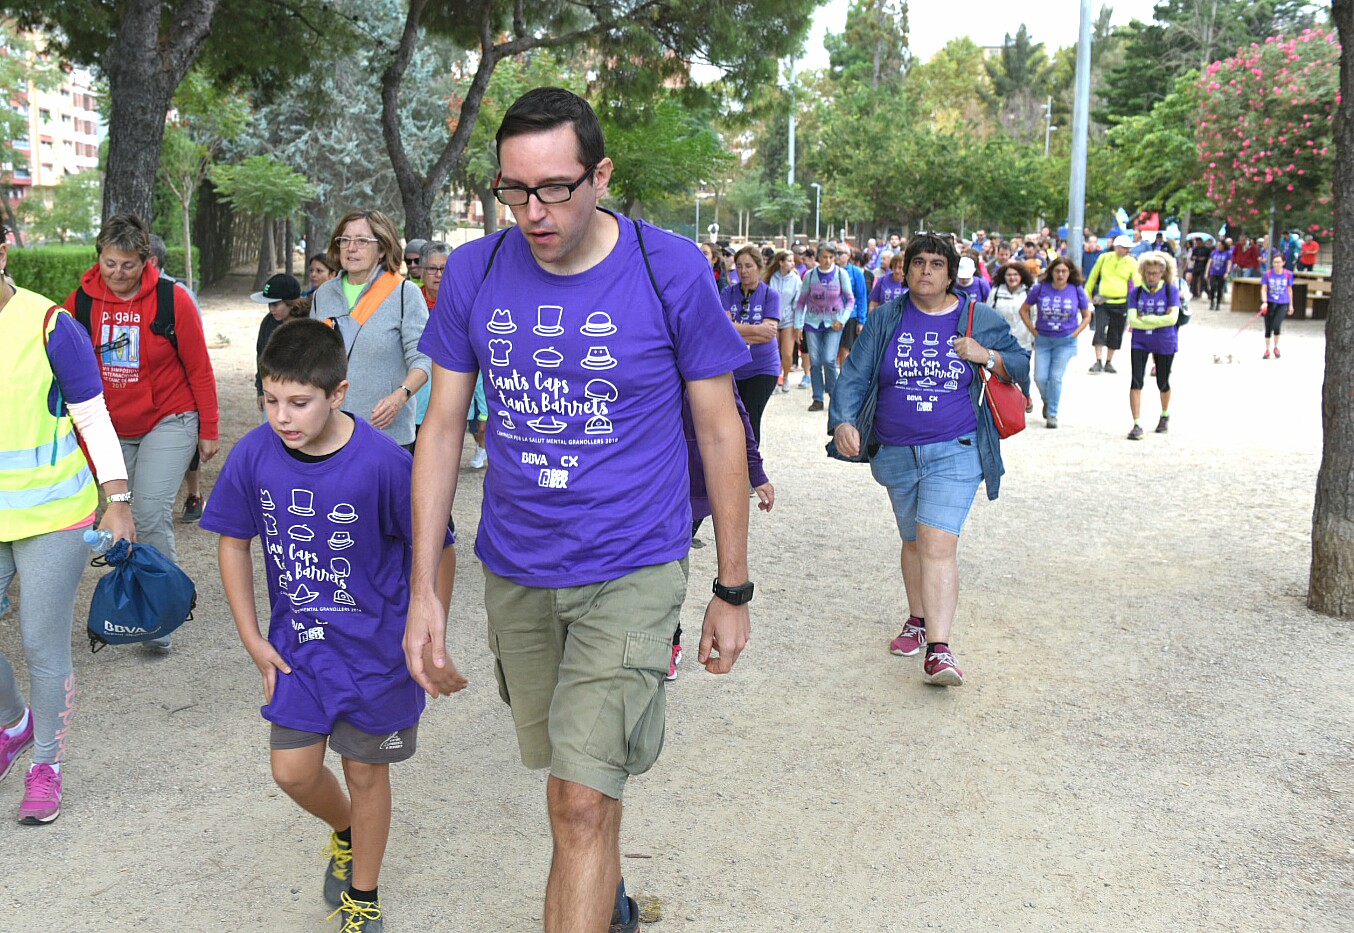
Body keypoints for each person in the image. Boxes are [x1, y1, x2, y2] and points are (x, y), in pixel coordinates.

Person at [406, 86, 752, 933]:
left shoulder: (668, 267)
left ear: (601, 175)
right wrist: (425, 589)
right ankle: (612, 906)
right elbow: (443, 428)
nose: (534, 211)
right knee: (576, 781)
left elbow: (718, 429)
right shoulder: (478, 270)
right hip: (518, 568)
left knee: (576, 804)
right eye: (514, 189)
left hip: (633, 565)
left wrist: (732, 588)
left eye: (556, 187)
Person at [202, 319, 459, 932]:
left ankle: (362, 899)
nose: (281, 417)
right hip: (299, 652)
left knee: (367, 773)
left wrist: (430, 630)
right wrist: (253, 639)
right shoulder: (254, 454)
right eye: (269, 400)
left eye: (298, 402)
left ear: (337, 394)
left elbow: (439, 547)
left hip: (378, 655)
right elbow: (234, 543)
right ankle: (344, 829)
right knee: (291, 770)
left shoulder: (385, 463)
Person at [829, 233, 1029, 687]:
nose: (925, 271)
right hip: (896, 450)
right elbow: (856, 373)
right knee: (914, 541)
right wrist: (842, 420)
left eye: (936, 264)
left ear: (951, 272)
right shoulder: (885, 319)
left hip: (955, 450)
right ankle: (917, 618)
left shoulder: (980, 317)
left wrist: (987, 355)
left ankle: (939, 649)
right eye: (918, 262)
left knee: (938, 543)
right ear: (905, 269)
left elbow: (1020, 365)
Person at [0, 229, 136, 825]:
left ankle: (47, 766)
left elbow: (94, 418)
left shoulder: (51, 325)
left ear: (2, 253)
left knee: (39, 641)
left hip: (54, 516)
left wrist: (118, 498)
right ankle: (15, 723)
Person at [62, 213, 218, 651]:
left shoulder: (173, 299)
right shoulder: (80, 303)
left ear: (145, 261)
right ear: (100, 258)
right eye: (110, 263)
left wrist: (209, 427)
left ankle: (160, 616)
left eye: (128, 264)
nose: (118, 273)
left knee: (147, 513)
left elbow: (199, 368)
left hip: (169, 417)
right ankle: (130, 603)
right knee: (117, 516)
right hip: (110, 427)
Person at [309, 209, 431, 450]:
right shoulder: (323, 294)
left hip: (385, 433)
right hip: (329, 431)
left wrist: (401, 396)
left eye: (362, 241)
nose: (351, 248)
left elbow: (424, 359)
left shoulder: (405, 294)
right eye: (345, 240)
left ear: (383, 248)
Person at [1019, 256, 1091, 428]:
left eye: (1064, 271)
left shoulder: (1076, 289)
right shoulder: (1040, 288)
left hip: (1065, 341)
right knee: (1040, 377)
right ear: (1051, 272)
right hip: (1043, 339)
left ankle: (1052, 414)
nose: (1060, 274)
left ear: (1069, 273)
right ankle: (1048, 401)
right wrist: (1033, 330)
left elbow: (1087, 315)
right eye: (1057, 271)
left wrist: (1075, 333)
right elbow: (1024, 310)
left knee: (1055, 376)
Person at [720, 247, 780, 445]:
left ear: (759, 267)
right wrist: (755, 330)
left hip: (763, 367)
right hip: (734, 369)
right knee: (734, 420)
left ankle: (752, 468)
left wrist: (736, 331)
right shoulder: (728, 293)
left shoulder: (770, 295)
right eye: (739, 266)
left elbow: (769, 333)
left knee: (751, 417)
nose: (743, 271)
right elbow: (723, 329)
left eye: (748, 266)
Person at [1125, 252, 1181, 439]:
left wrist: (1147, 319)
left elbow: (1173, 318)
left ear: (1163, 273)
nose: (1152, 277)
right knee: (1136, 380)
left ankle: (1165, 414)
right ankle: (1137, 423)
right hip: (1140, 341)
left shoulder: (1170, 291)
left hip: (1165, 341)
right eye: (1148, 273)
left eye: (1156, 273)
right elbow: (1133, 321)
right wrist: (1159, 320)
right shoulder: (1136, 292)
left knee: (1162, 381)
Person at [796, 244, 853, 412]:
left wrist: (842, 320)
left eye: (830, 257)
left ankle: (834, 395)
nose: (827, 261)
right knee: (815, 362)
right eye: (824, 257)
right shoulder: (810, 275)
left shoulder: (841, 274)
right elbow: (801, 302)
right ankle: (817, 398)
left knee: (829, 359)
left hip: (834, 322)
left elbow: (850, 300)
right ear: (818, 258)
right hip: (812, 322)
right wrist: (798, 325)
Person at [251, 273, 309, 414]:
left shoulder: (309, 324)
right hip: (272, 394)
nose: (271, 309)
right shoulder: (268, 322)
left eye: (275, 304)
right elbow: (261, 356)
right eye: (269, 304)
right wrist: (260, 389)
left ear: (290, 302)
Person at [1084, 234, 1139, 374]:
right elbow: (1093, 276)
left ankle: (1109, 361)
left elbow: (1137, 281)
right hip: (1103, 301)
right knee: (1099, 329)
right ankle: (1098, 360)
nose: (1128, 250)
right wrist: (1087, 294)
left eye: (1128, 248)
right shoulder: (1104, 258)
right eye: (1125, 248)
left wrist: (1138, 300)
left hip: (1121, 301)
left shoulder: (1132, 262)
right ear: (1117, 247)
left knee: (1116, 332)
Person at [989, 261, 1034, 413]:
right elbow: (988, 314)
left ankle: (1026, 395)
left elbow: (1034, 315)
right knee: (1002, 372)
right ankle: (1006, 403)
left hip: (1023, 339)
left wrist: (1035, 336)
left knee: (1022, 371)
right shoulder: (995, 292)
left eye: (1015, 274)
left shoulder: (1029, 292)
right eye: (1009, 275)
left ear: (1022, 276)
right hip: (1001, 340)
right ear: (1004, 276)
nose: (1012, 277)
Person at [766, 249, 801, 394]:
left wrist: (798, 325)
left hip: (788, 319)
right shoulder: (771, 278)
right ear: (781, 262)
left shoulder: (796, 280)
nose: (792, 263)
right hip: (773, 318)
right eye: (789, 260)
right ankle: (774, 379)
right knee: (773, 351)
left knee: (787, 352)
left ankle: (785, 377)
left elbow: (799, 303)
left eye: (793, 261)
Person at [835, 246, 869, 368]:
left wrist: (861, 320)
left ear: (848, 256)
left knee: (845, 348)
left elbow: (861, 296)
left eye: (841, 253)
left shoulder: (855, 272)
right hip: (832, 315)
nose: (838, 256)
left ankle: (843, 378)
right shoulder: (831, 271)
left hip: (850, 316)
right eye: (836, 253)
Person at [1260, 253, 1294, 359]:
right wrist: (1264, 301)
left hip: (1282, 303)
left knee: (1276, 324)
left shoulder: (1288, 274)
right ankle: (1267, 349)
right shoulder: (1268, 274)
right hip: (1270, 302)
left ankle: (1276, 347)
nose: (1276, 264)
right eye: (1274, 262)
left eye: (1279, 262)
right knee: (1268, 327)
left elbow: (1289, 289)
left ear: (1283, 263)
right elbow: (1264, 289)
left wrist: (1291, 305)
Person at [1206, 239, 1232, 310]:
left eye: (1220, 245)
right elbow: (1209, 263)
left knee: (1220, 289)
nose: (1218, 246)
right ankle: (1211, 302)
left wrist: (1227, 272)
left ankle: (1218, 304)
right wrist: (1207, 272)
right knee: (1212, 287)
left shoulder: (1227, 253)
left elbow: (1229, 263)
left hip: (1222, 273)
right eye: (1217, 245)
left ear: (1223, 246)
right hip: (1213, 272)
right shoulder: (1214, 252)